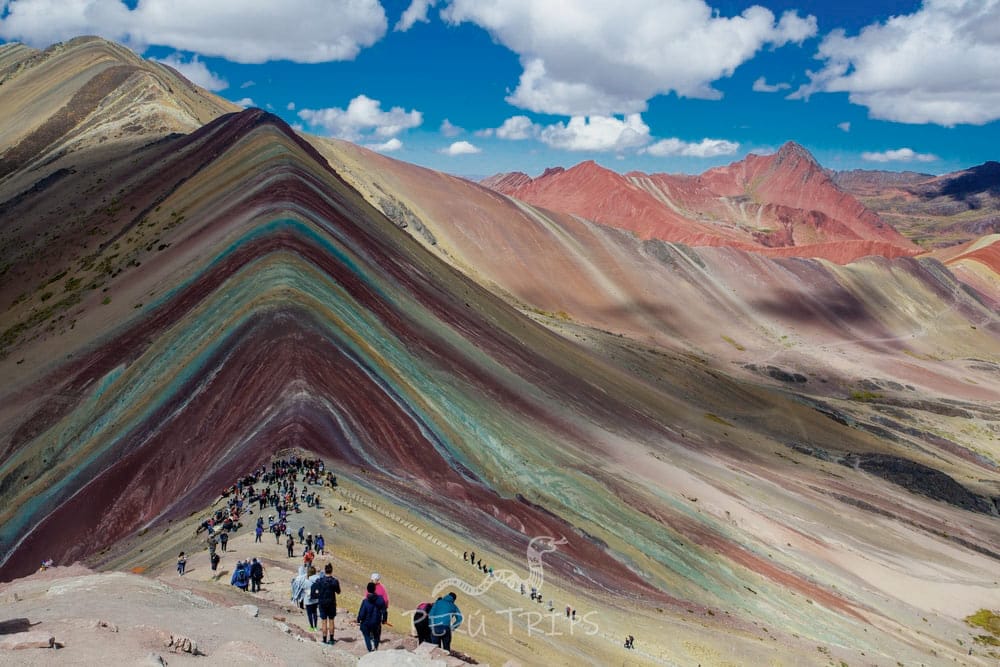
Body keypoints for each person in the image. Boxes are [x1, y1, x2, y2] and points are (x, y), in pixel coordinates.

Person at [310, 563, 341, 644]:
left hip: (322, 603)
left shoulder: (320, 580)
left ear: (325, 570)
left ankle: (324, 640)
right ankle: (331, 639)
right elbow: (338, 592)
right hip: (331, 603)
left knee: (323, 621)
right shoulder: (334, 581)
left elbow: (314, 589)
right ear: (331, 570)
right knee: (331, 620)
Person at [356, 581, 387, 652]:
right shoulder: (381, 599)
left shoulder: (365, 601)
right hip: (376, 621)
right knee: (376, 635)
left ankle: (370, 649)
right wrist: (384, 619)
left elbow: (362, 613)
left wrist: (358, 619)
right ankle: (376, 647)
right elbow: (384, 611)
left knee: (366, 635)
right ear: (374, 589)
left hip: (366, 623)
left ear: (367, 589)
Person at [303, 565, 320, 632]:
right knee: (315, 613)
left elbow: (304, 589)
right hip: (315, 599)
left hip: (308, 599)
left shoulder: (306, 581)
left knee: (309, 614)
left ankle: (311, 627)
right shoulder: (317, 579)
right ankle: (315, 627)